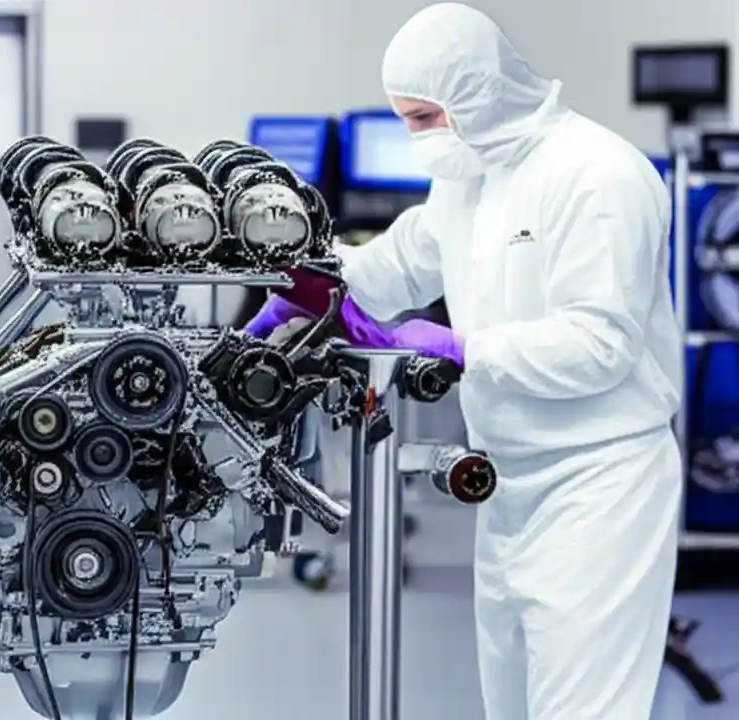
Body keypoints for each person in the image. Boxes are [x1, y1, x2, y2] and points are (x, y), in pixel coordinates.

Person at [250, 3, 683, 719]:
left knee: (584, 709)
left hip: (599, 484)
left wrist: (463, 348)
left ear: (477, 94)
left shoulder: (601, 176)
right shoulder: (469, 173)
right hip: (505, 480)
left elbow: (600, 346)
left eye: (423, 118)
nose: (416, 138)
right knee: (510, 703)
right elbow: (399, 266)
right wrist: (303, 282)